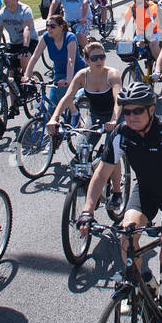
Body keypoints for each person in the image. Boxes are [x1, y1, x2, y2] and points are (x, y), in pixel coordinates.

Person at [77, 81, 162, 323]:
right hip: (145, 191)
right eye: (126, 111)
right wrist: (87, 210)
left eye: (136, 111)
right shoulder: (121, 132)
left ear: (151, 109)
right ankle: (148, 284)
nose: (130, 117)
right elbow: (102, 174)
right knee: (126, 238)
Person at [47, 42, 125, 212]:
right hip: (96, 116)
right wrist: (54, 118)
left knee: (113, 153)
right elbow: (68, 97)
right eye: (94, 58)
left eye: (102, 57)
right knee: (83, 148)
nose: (99, 61)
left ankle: (117, 192)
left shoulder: (112, 74)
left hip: (115, 117)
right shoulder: (82, 75)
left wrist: (113, 120)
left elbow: (118, 99)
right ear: (86, 59)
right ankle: (91, 184)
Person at [24, 15, 85, 115]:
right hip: (59, 74)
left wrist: (68, 81)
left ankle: (75, 114)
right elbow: (35, 56)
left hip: (76, 72)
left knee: (63, 95)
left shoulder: (70, 37)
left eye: (52, 26)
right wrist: (27, 75)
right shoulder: (46, 37)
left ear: (61, 27)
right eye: (47, 26)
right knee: (51, 110)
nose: (49, 29)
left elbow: (70, 61)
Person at [118, 0, 162, 67]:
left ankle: (159, 66)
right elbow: (123, 26)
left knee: (153, 44)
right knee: (128, 52)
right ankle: (136, 75)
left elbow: (152, 22)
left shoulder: (152, 6)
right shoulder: (132, 8)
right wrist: (119, 37)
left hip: (154, 32)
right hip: (140, 34)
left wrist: (145, 39)